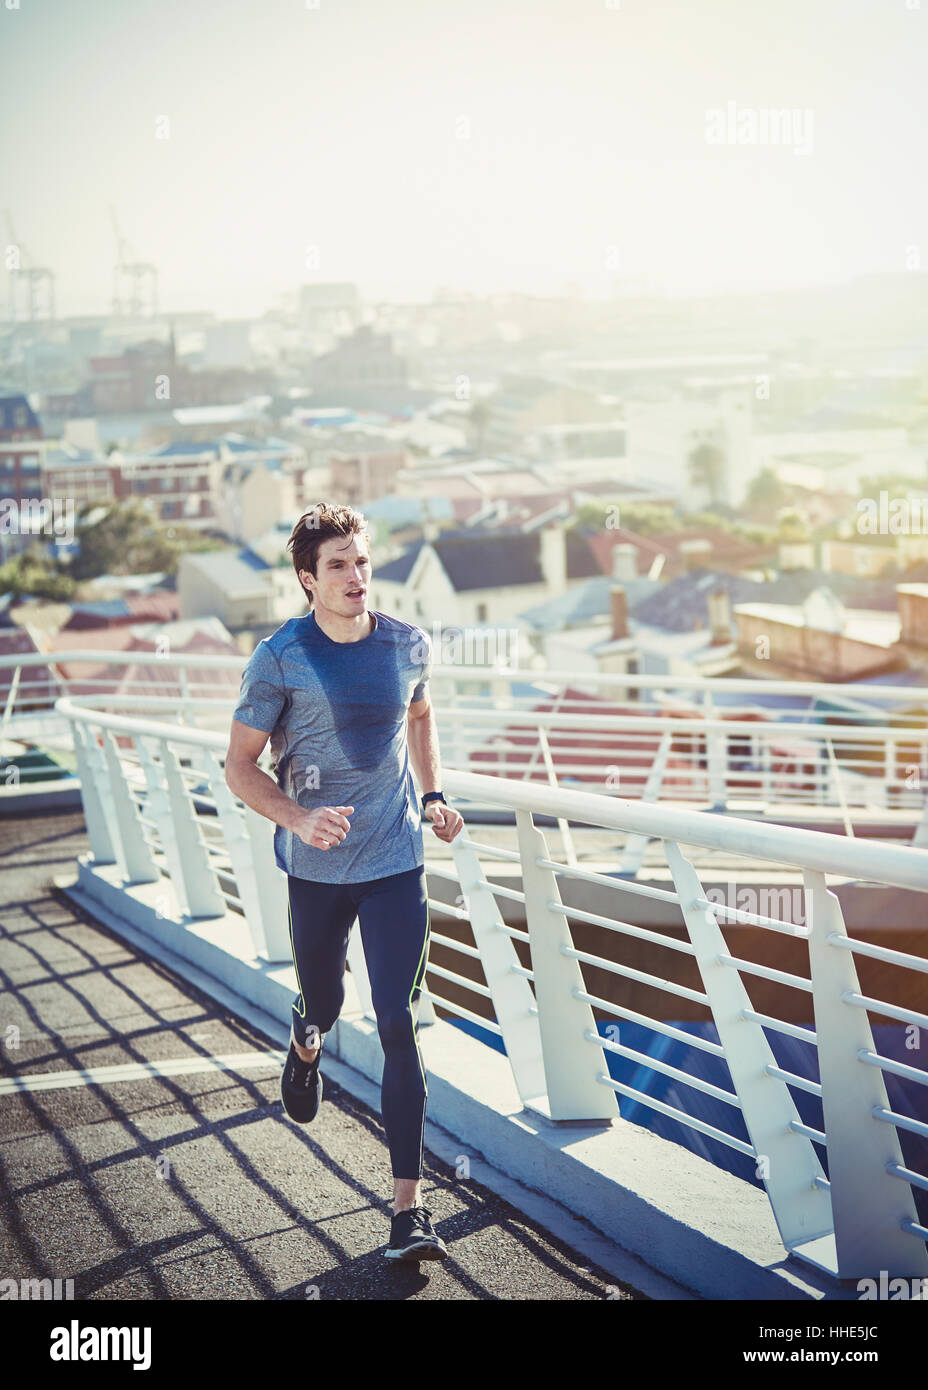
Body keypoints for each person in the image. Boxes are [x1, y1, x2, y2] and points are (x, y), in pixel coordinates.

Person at [225, 501, 464, 1263]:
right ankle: (304, 1040)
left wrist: (432, 794)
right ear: (308, 579)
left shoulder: (407, 644)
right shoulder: (279, 657)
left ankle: (408, 1209)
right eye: (339, 566)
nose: (357, 576)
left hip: (396, 862)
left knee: (398, 1020)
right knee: (325, 1000)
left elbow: (421, 717)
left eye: (362, 561)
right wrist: (296, 818)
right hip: (317, 871)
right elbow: (238, 766)